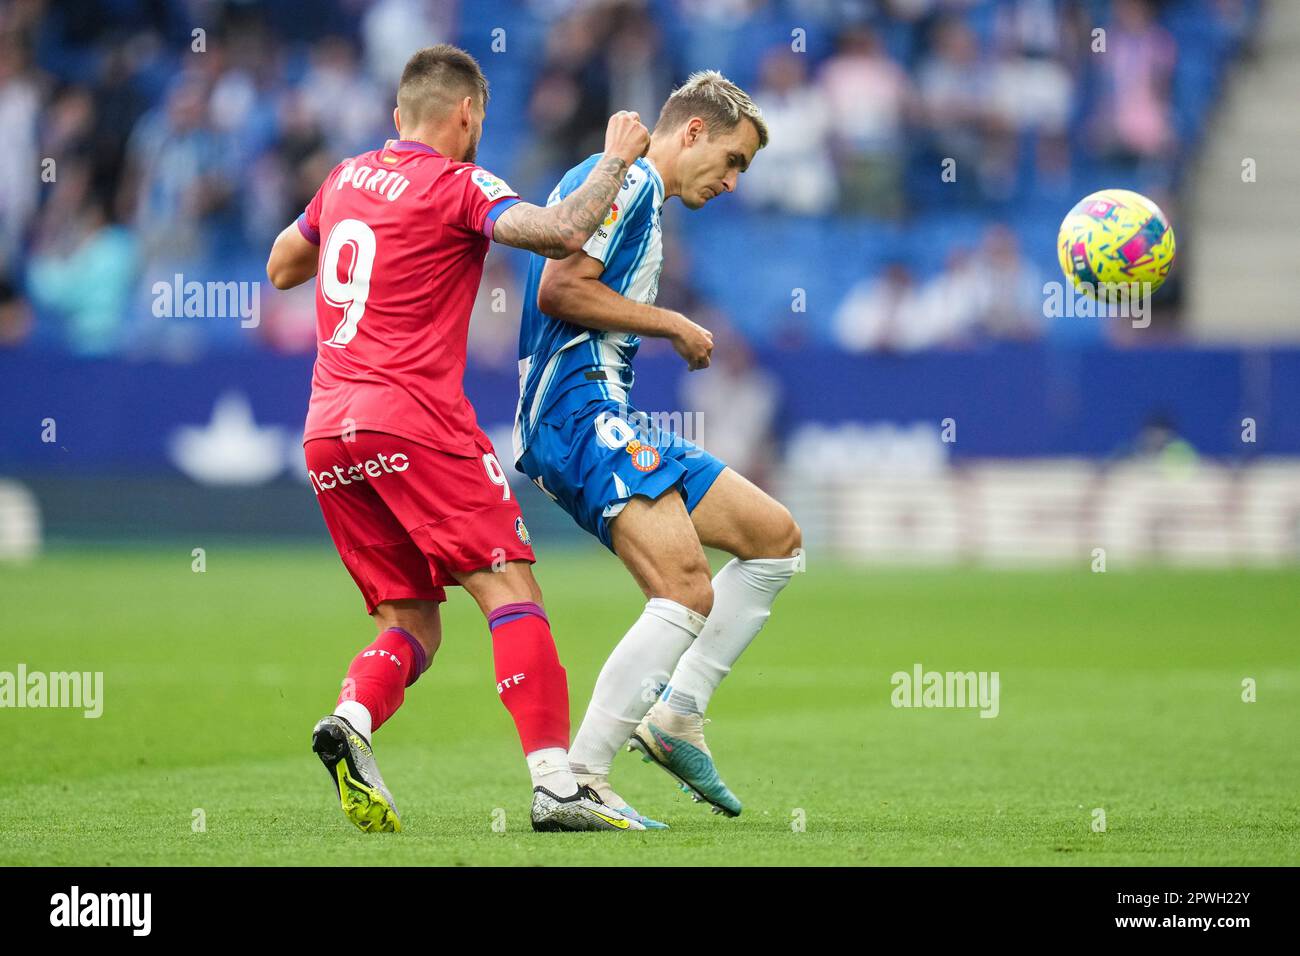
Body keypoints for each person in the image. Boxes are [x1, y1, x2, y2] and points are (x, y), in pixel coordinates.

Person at [265, 44, 651, 833]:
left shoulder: (342, 178)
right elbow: (557, 232)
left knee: (412, 623)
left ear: (396, 116)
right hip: (415, 419)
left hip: (328, 433)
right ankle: (555, 783)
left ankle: (352, 721)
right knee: (510, 589)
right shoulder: (461, 182)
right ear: (467, 114)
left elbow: (280, 267)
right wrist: (614, 161)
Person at [513, 71, 802, 827]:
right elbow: (558, 290)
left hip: (610, 412)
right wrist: (668, 322)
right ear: (695, 131)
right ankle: (575, 778)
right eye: (734, 160)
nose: (734, 181)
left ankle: (676, 717)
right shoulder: (630, 178)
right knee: (684, 588)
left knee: (775, 541)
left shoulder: (645, 193)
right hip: (574, 410)